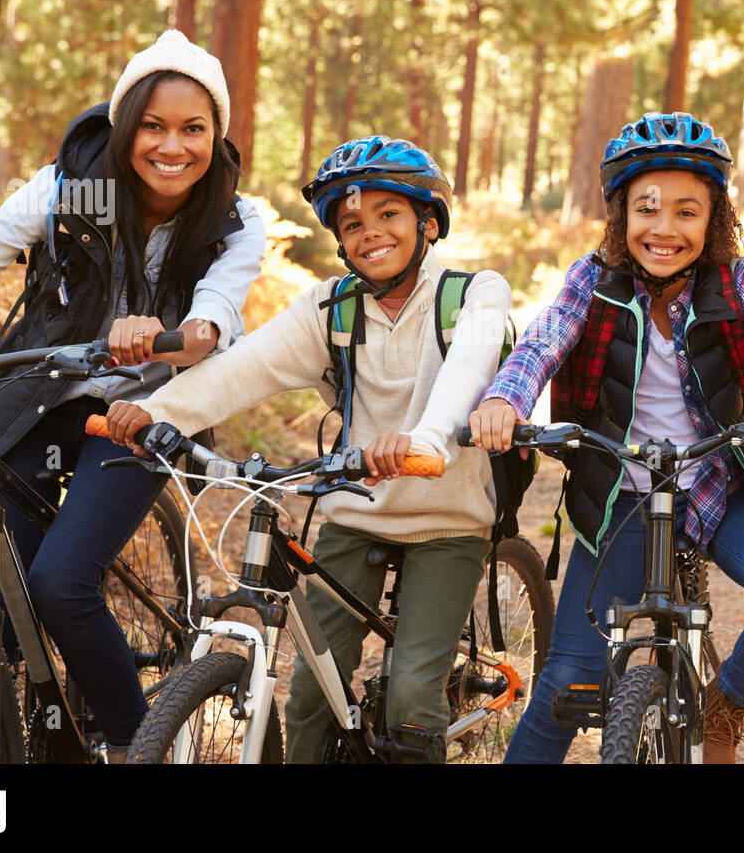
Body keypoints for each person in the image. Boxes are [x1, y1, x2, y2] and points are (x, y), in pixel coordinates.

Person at [0, 29, 267, 761]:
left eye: (193, 129)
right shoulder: (61, 192)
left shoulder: (236, 220)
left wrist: (169, 332)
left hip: (143, 415)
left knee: (62, 584)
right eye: (153, 126)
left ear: (217, 136)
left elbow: (213, 324)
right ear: (123, 127)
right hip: (36, 401)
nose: (173, 147)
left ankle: (132, 744)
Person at [107, 135, 512, 762]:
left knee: (410, 699)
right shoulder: (331, 307)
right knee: (308, 698)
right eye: (352, 224)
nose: (369, 233)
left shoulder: (475, 294)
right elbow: (242, 368)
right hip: (356, 509)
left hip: (447, 521)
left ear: (427, 221)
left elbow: (469, 371)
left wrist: (425, 441)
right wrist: (152, 413)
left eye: (388, 215)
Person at [470, 111, 744, 763]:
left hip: (722, 484)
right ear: (620, 216)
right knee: (567, 681)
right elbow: (540, 345)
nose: (664, 228)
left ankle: (724, 710)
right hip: (621, 496)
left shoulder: (740, 280)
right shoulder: (592, 281)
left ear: (714, 219)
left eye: (687, 211)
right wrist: (505, 400)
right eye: (647, 209)